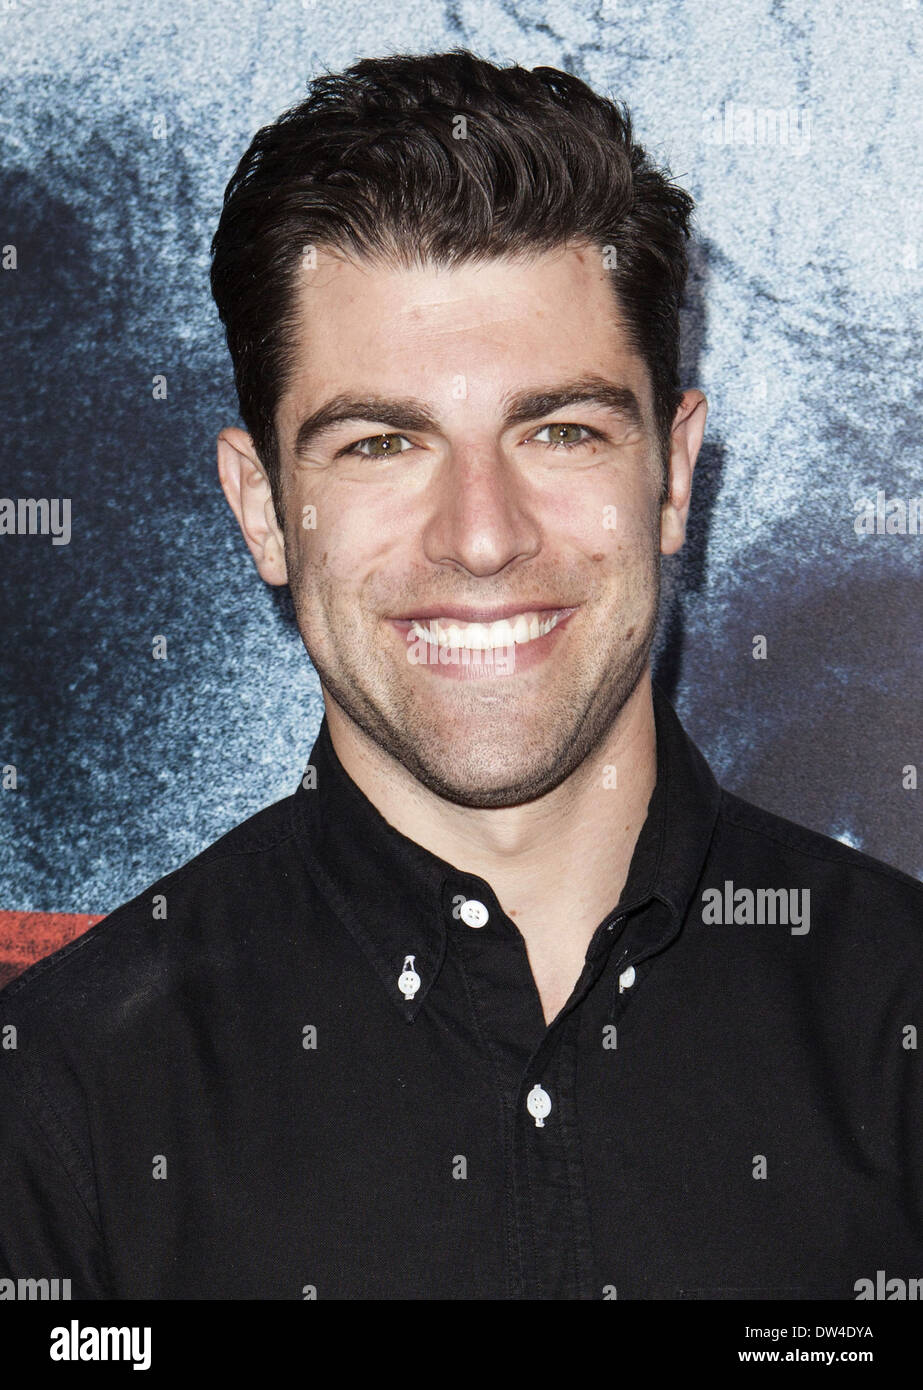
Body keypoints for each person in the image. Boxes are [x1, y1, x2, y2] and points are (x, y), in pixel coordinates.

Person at [0, 50, 920, 1301]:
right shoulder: (61, 1108)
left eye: (558, 431)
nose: (480, 534)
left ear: (674, 474)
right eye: (381, 442)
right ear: (263, 507)